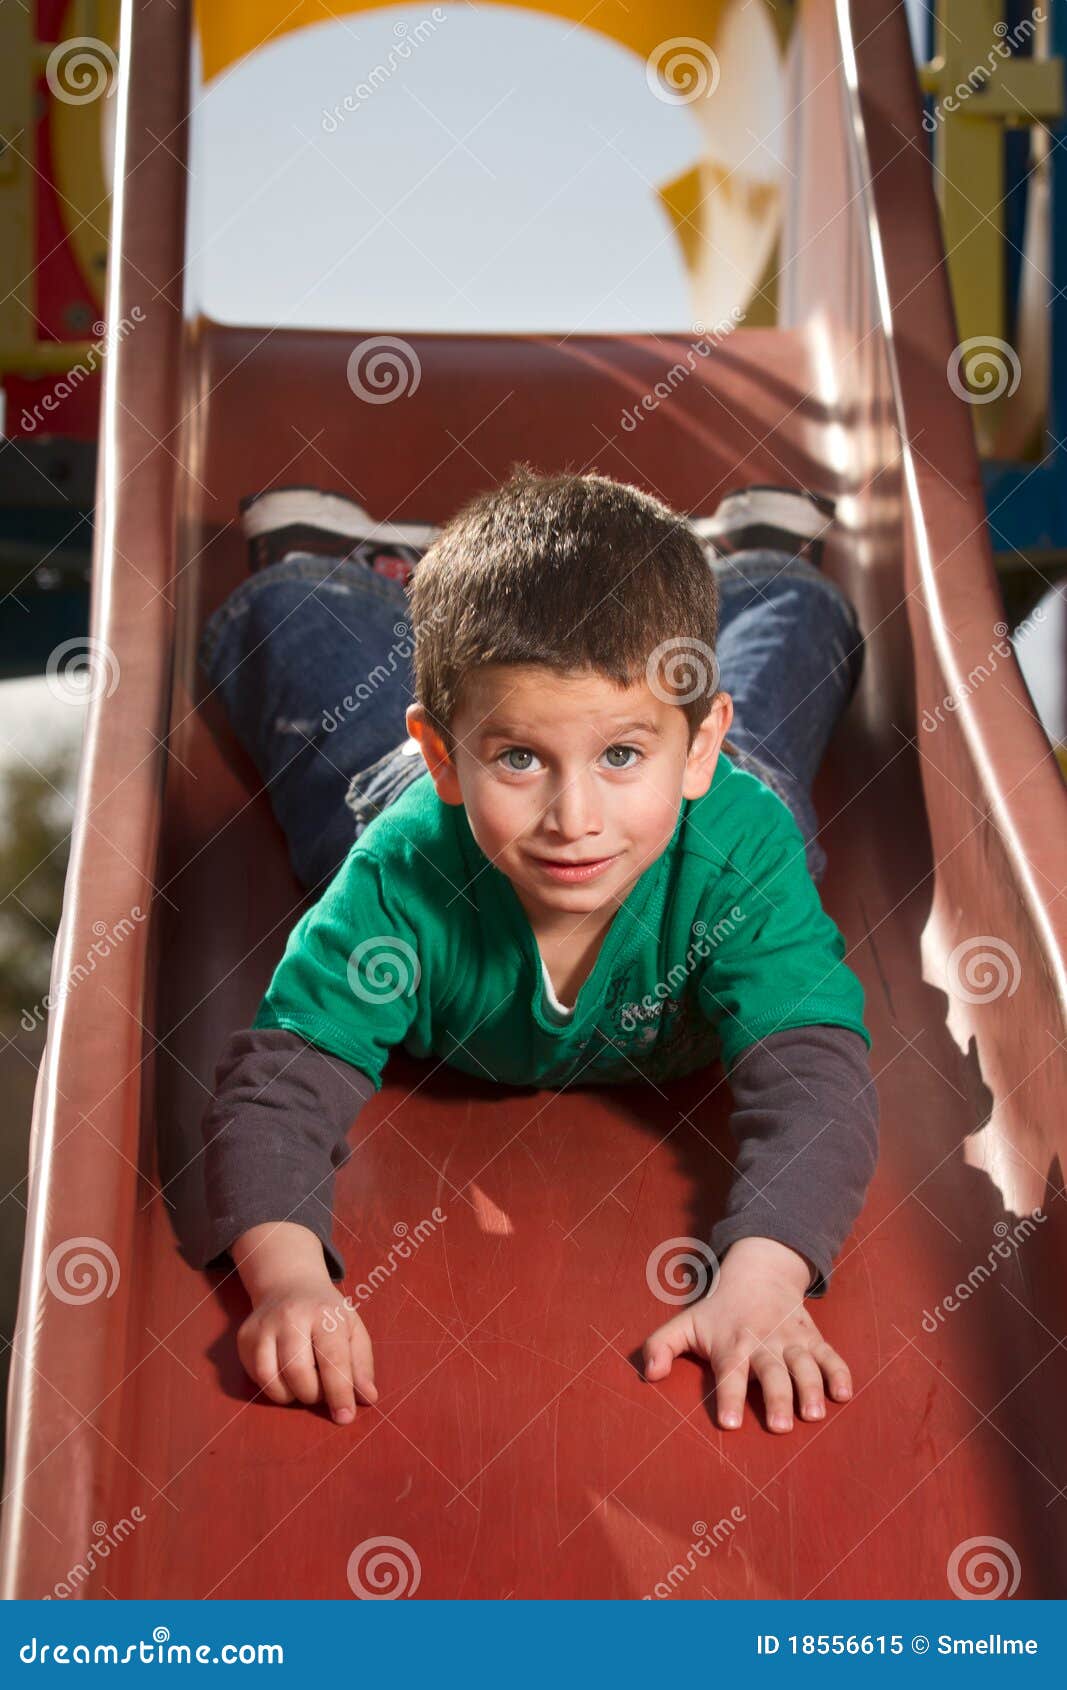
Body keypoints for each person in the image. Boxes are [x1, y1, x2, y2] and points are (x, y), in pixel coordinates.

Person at [193, 466, 877, 1437]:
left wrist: (764, 1277)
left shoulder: (735, 851)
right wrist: (288, 1280)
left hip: (704, 815)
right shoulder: (404, 869)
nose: (573, 818)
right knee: (330, 761)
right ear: (444, 759)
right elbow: (280, 1085)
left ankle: (761, 577)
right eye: (519, 758)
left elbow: (815, 1079)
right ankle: (330, 580)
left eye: (620, 757)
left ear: (691, 750)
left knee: (779, 719)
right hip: (424, 808)